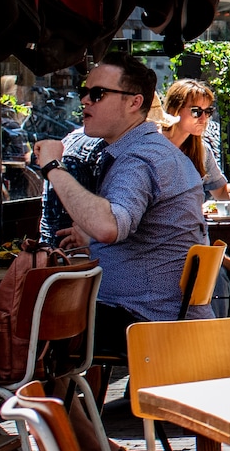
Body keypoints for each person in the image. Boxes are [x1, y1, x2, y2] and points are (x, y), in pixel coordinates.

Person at [41, 54, 212, 347]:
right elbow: (138, 228)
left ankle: (32, 393)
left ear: (134, 103)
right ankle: (63, 391)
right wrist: (89, 235)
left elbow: (110, 227)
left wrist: (52, 167)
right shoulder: (154, 150)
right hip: (170, 312)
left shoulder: (139, 158)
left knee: (19, 322)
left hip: (142, 318)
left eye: (97, 94)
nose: (85, 101)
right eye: (84, 92)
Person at [160, 78, 229, 199]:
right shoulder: (154, 147)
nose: (203, 119)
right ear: (174, 110)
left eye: (208, 111)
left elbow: (221, 193)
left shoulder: (202, 151)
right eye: (196, 111)